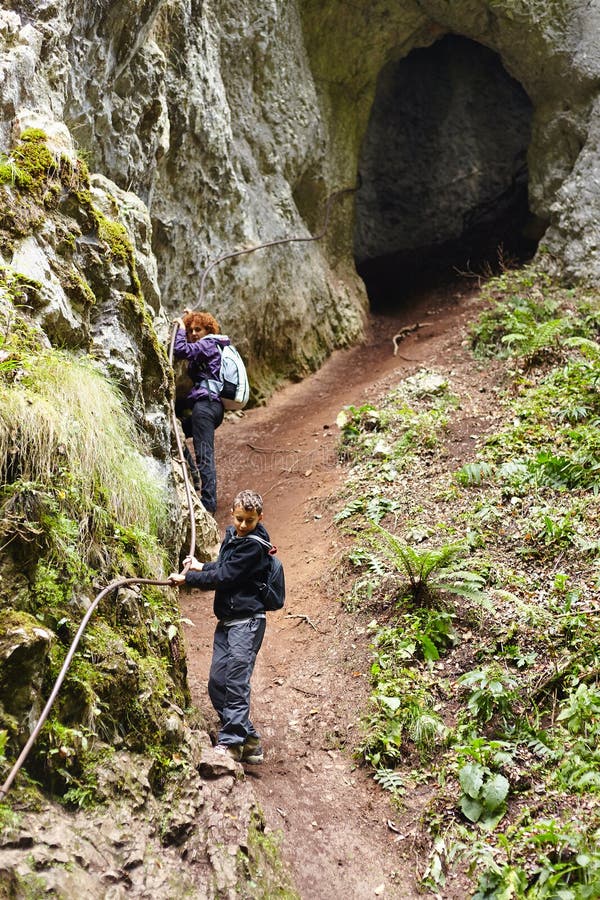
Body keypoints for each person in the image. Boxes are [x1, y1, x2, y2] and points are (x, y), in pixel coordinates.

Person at [169, 489, 271, 764]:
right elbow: (224, 566)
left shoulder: (254, 546)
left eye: (249, 521)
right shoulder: (232, 537)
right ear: (233, 514)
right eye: (239, 519)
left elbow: (225, 577)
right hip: (227, 622)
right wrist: (200, 566)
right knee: (217, 683)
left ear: (259, 518)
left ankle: (231, 744)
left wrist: (188, 578)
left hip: (247, 623)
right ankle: (249, 741)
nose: (242, 525)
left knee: (236, 683)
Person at [173, 311, 230, 514]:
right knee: (176, 432)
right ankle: (194, 477)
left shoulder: (208, 344)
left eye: (199, 329)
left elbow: (180, 349)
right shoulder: (211, 346)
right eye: (191, 330)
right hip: (210, 407)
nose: (194, 333)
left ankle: (209, 504)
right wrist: (189, 319)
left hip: (205, 406)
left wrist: (180, 329)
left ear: (209, 330)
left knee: (204, 454)